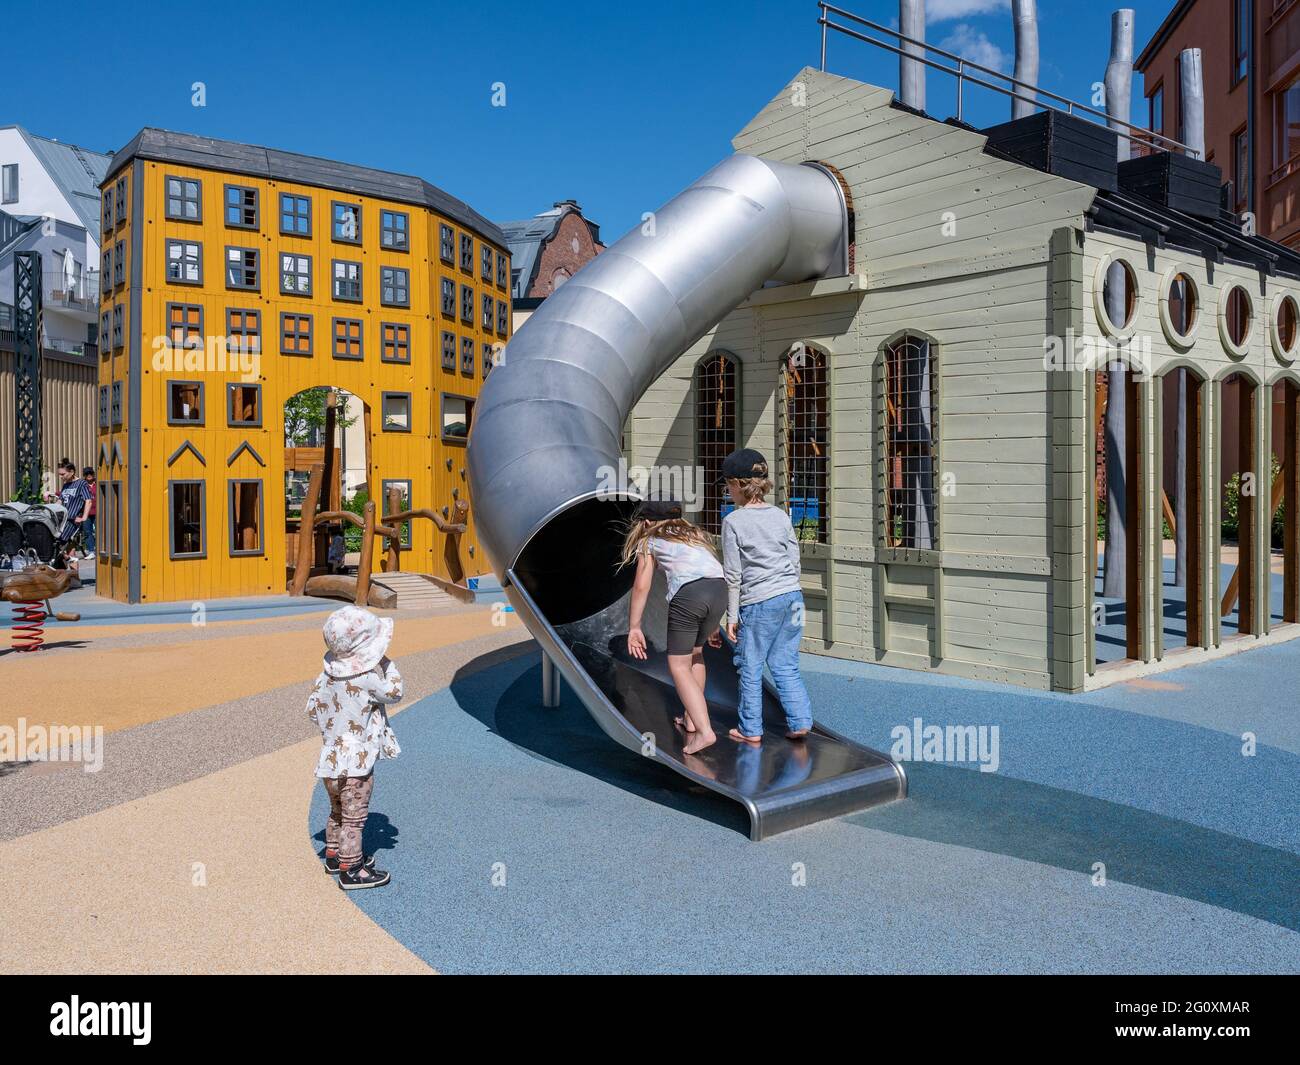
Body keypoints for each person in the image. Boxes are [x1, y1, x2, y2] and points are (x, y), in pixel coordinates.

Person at [720, 448, 814, 745]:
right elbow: (794, 557)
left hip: (760, 600)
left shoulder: (734, 522)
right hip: (793, 597)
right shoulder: (779, 515)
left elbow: (733, 575)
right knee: (786, 662)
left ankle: (750, 729)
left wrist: (731, 616)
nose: (727, 490)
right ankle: (800, 721)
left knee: (749, 665)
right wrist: (789, 587)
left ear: (738, 484)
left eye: (728, 484)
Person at [621, 499, 727, 754]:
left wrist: (634, 626)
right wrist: (713, 624)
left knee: (677, 664)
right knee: (696, 653)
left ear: (647, 522)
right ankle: (692, 718)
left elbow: (642, 586)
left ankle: (704, 731)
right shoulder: (695, 535)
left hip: (690, 595)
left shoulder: (649, 540)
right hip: (720, 590)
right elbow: (708, 573)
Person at [308, 605, 403, 890]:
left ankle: (334, 854)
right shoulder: (367, 679)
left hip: (331, 757)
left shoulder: (324, 678)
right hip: (357, 763)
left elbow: (313, 710)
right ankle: (353, 869)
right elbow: (395, 692)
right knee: (354, 817)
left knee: (337, 808)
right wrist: (387, 665)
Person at [52, 459, 92, 556]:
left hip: (72, 520)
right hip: (63, 520)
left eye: (63, 474)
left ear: (72, 472)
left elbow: (88, 500)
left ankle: (65, 560)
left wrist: (84, 517)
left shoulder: (82, 483)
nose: (61, 477)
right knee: (70, 547)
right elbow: (60, 501)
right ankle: (72, 568)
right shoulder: (66, 485)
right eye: (59, 474)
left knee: (60, 543)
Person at [81, 468, 97, 557]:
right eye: (87, 474)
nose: (89, 475)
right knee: (87, 532)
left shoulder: (98, 483)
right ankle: (91, 551)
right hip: (86, 512)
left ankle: (100, 550)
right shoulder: (82, 485)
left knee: (99, 532)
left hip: (98, 512)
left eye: (90, 473)